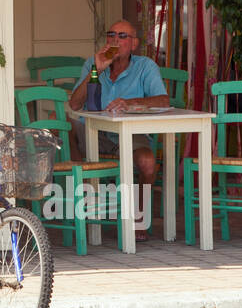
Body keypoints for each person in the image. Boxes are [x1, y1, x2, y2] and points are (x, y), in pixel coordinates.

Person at [68, 19, 168, 240]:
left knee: (148, 164)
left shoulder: (145, 66)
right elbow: (74, 105)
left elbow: (162, 100)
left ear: (134, 44)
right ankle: (86, 199)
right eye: (111, 35)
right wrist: (97, 68)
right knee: (67, 127)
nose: (115, 40)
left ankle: (139, 218)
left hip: (131, 135)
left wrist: (130, 103)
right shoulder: (93, 63)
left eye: (122, 36)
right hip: (96, 134)